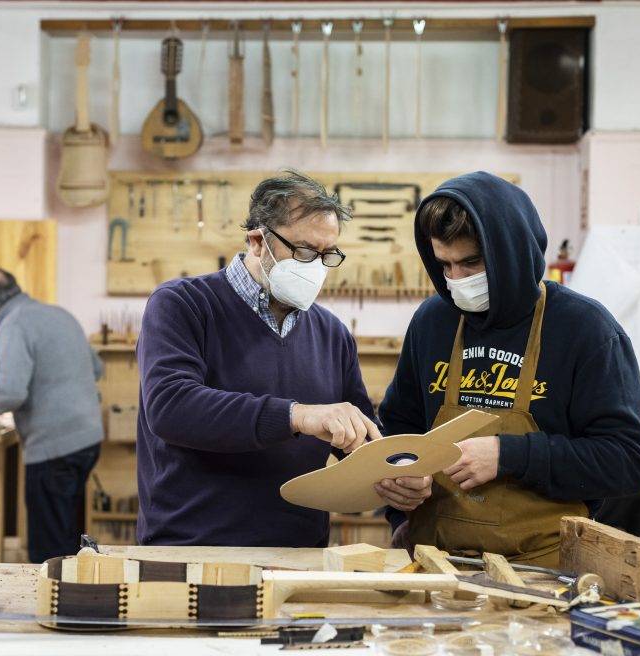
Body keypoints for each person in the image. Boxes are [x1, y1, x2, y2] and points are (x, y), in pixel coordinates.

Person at [135, 169, 430, 548]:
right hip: (193, 547)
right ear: (258, 241)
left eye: (327, 255)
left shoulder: (333, 334)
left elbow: (359, 437)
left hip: (301, 553)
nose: (316, 266)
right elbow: (171, 407)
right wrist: (298, 416)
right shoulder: (183, 304)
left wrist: (398, 471)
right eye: (304, 251)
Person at [379, 172, 640, 568]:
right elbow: (398, 429)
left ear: (510, 251)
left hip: (540, 570)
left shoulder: (586, 330)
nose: (456, 280)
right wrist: (398, 497)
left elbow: (628, 461)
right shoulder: (432, 321)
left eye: (470, 263)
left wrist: (510, 454)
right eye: (445, 265)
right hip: (434, 563)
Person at [0, 268, 105, 563]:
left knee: (49, 549)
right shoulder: (59, 314)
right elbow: (97, 369)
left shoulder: (13, 325)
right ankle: (72, 589)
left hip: (54, 449)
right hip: (88, 440)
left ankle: (56, 593)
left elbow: (9, 393)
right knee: (65, 534)